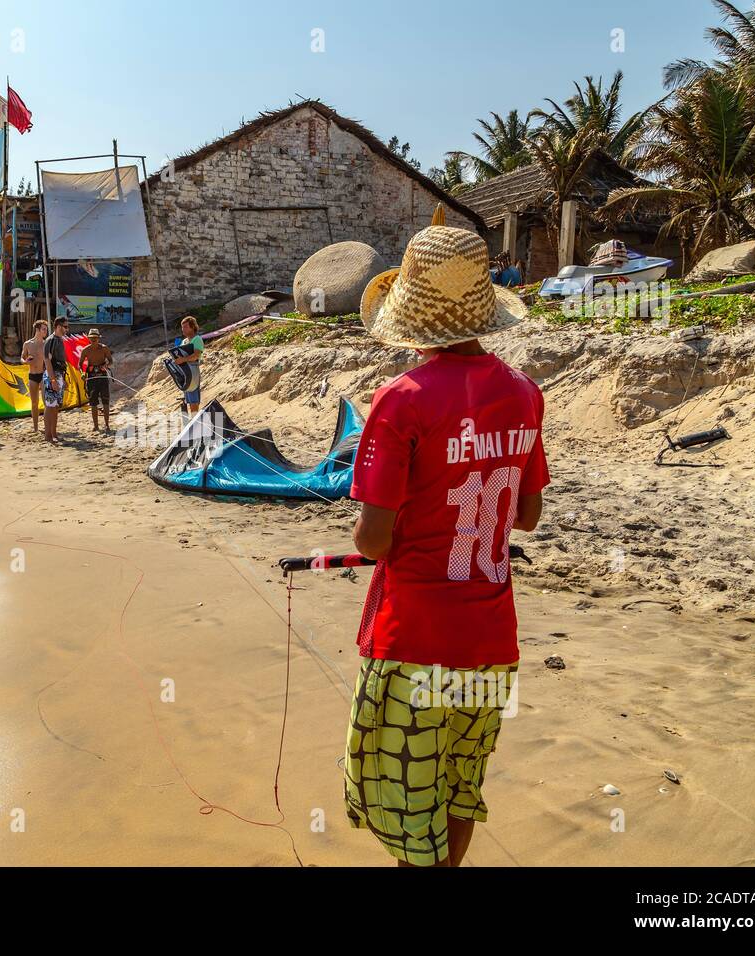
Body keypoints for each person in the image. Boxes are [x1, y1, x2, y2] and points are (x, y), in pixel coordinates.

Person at [346, 225, 549, 868]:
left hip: (417, 641)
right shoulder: (523, 394)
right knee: (461, 792)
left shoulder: (401, 401)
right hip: (490, 637)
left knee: (409, 812)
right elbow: (528, 516)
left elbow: (373, 540)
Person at [41, 317, 69, 443]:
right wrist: (52, 380)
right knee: (50, 405)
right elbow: (47, 360)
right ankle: (48, 435)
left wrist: (63, 379)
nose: (67, 329)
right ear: (58, 326)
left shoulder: (59, 340)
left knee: (55, 406)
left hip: (59, 375)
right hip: (51, 375)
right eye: (65, 326)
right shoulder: (51, 340)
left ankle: (54, 434)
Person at [80, 327, 113, 432]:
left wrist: (106, 366)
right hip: (91, 378)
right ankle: (96, 426)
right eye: (92, 337)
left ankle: (107, 425)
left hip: (102, 376)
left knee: (106, 401)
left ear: (98, 338)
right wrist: (82, 373)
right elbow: (80, 364)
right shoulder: (86, 350)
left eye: (95, 337)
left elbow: (111, 361)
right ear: (89, 338)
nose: (94, 339)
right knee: (93, 402)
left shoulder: (104, 348)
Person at [19, 319, 49, 432]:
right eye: (43, 329)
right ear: (37, 330)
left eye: (46, 329)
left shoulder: (46, 343)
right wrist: (25, 361)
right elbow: (21, 357)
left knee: (46, 402)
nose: (45, 331)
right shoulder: (28, 344)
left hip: (43, 374)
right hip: (32, 374)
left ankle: (47, 426)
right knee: (34, 403)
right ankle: (36, 427)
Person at [171, 315, 205, 414]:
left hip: (193, 371)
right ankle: (192, 422)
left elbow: (196, 355)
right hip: (185, 372)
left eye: (185, 327)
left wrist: (183, 359)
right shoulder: (184, 341)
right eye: (182, 327)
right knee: (189, 399)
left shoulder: (197, 339)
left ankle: (195, 421)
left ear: (193, 327)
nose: (183, 330)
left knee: (194, 400)